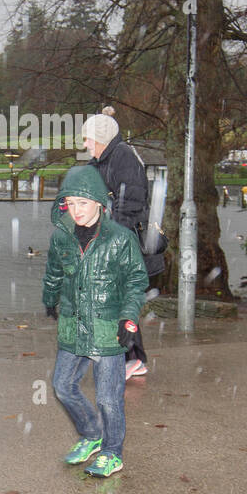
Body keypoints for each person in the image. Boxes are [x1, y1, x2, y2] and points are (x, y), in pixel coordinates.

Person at [42, 166, 149, 478]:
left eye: (83, 203)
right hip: (73, 326)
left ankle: (113, 453)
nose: (76, 211)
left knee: (108, 398)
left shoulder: (120, 238)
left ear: (100, 204)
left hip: (107, 328)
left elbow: (135, 281)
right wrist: (50, 297)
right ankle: (92, 434)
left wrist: (128, 319)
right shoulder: (61, 236)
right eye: (71, 203)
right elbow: (54, 271)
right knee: (62, 385)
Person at [82, 108, 160, 377]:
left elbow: (132, 203)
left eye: (88, 138)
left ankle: (126, 358)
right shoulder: (102, 161)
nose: (84, 144)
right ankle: (131, 358)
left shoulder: (122, 157)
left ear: (101, 139)